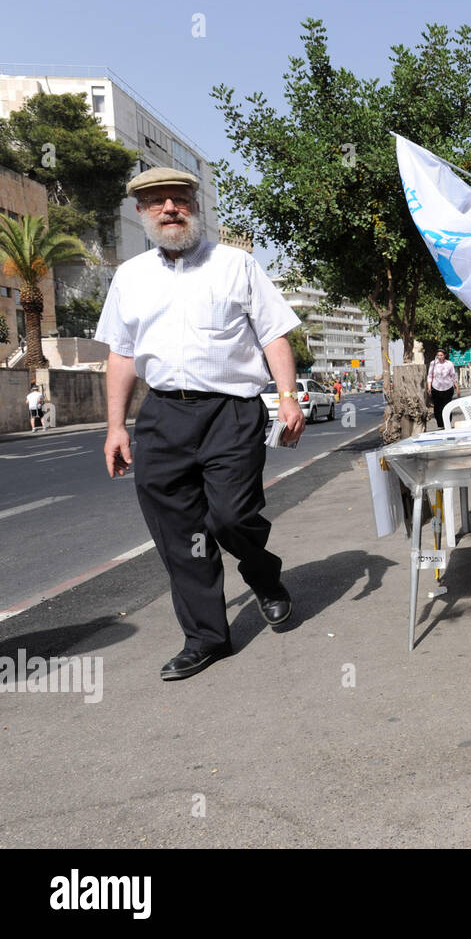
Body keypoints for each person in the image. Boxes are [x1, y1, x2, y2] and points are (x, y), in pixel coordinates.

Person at [94, 167, 304, 682]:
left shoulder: (237, 265)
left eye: (178, 199)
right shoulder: (130, 277)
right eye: (156, 202)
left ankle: (263, 576)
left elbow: (275, 334)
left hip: (230, 411)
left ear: (195, 205)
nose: (169, 209)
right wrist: (115, 427)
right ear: (141, 213)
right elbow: (120, 355)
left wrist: (288, 397)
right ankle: (207, 637)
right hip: (162, 414)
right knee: (177, 531)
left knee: (232, 517)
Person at [426, 348, 459, 428]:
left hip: (448, 388)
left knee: (447, 406)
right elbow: (430, 376)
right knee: (438, 407)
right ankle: (440, 424)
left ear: (445, 355)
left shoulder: (449, 364)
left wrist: (457, 388)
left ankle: (447, 423)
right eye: (438, 355)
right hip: (436, 388)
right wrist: (429, 387)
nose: (440, 357)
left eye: (441, 355)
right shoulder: (433, 363)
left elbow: (453, 376)